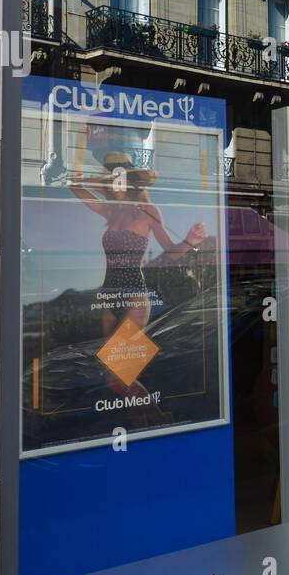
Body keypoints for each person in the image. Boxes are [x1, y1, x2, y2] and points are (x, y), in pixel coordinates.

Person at [68, 151, 206, 423]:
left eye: (119, 181)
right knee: (114, 377)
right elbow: (75, 186)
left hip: (134, 298)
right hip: (107, 297)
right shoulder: (110, 211)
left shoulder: (148, 212)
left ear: (132, 182)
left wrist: (189, 240)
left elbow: (169, 252)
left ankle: (158, 419)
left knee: (117, 375)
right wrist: (106, 178)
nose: (113, 187)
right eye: (111, 182)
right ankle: (142, 424)